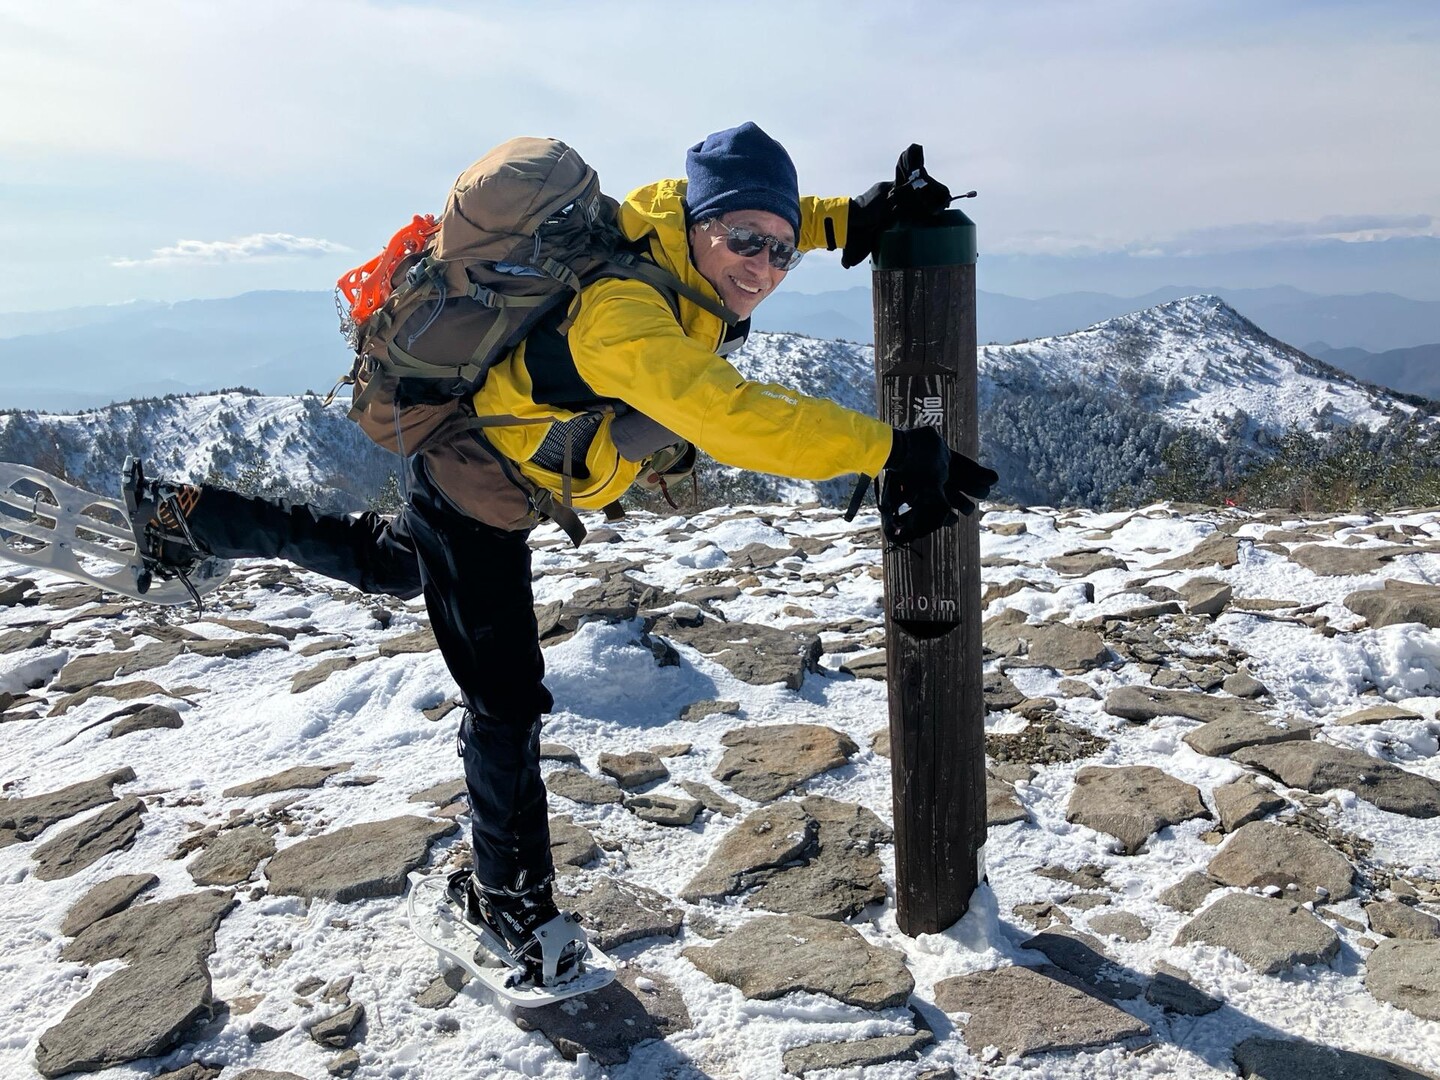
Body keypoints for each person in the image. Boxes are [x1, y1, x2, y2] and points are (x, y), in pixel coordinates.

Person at [125, 121, 997, 988]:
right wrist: (889, 449)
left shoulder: (666, 225)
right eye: (744, 243)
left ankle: (186, 517)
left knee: (391, 563)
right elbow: (730, 415)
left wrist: (849, 219)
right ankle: (507, 903)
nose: (763, 267)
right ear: (701, 226)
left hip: (491, 471)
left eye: (780, 251)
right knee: (504, 700)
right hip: (477, 492)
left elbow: (762, 213)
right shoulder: (624, 318)